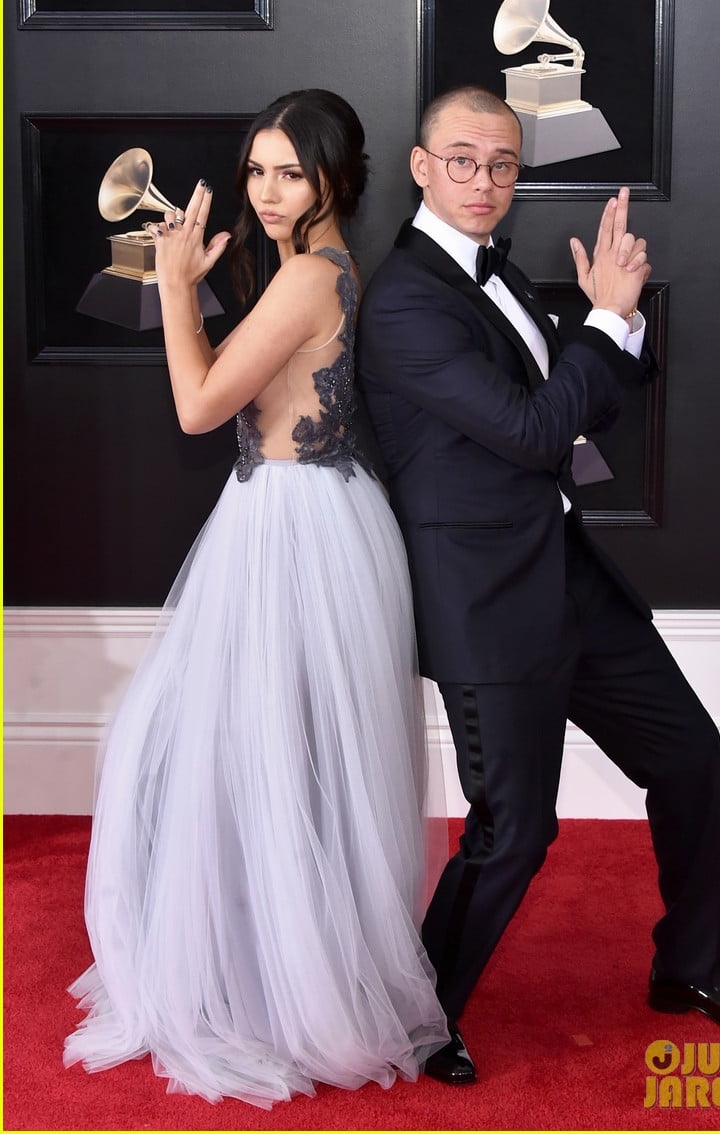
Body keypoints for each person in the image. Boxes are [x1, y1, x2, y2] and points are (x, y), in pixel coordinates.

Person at [356, 85, 720, 1085]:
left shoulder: (497, 273)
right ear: (421, 167)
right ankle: (421, 1016)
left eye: (503, 164)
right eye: (462, 160)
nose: (484, 181)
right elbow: (533, 430)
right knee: (514, 831)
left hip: (565, 572)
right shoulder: (404, 300)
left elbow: (574, 400)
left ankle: (690, 969)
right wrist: (604, 319)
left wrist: (614, 326)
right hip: (484, 602)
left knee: (687, 753)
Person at [64, 89, 448, 1108]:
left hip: (293, 530)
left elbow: (198, 408)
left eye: (291, 173)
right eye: (257, 171)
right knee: (280, 760)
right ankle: (282, 976)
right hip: (311, 518)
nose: (268, 192)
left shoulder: (308, 278)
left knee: (259, 754)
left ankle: (280, 992)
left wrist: (175, 288)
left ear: (335, 179)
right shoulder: (322, 268)